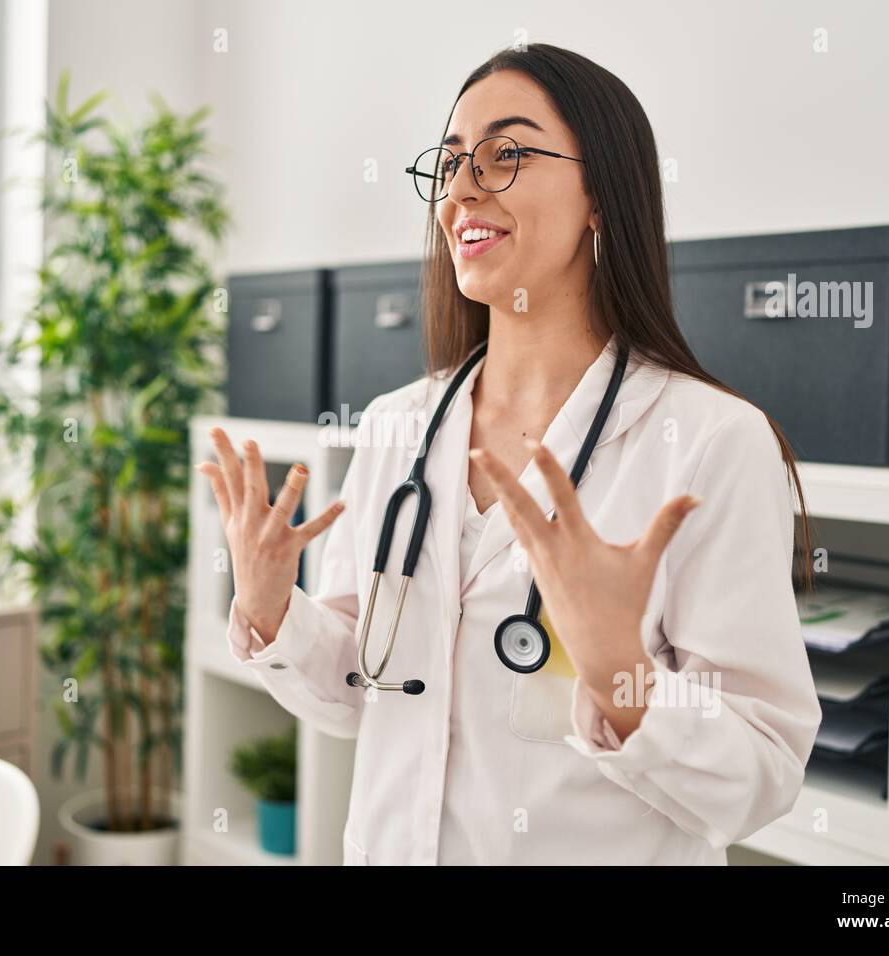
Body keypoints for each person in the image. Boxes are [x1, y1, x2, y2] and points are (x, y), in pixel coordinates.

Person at [196, 43, 822, 865]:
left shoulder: (711, 441)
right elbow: (357, 695)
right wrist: (274, 612)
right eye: (450, 163)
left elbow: (763, 777)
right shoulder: (395, 427)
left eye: (505, 155)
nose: (459, 192)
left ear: (602, 195)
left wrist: (621, 676)